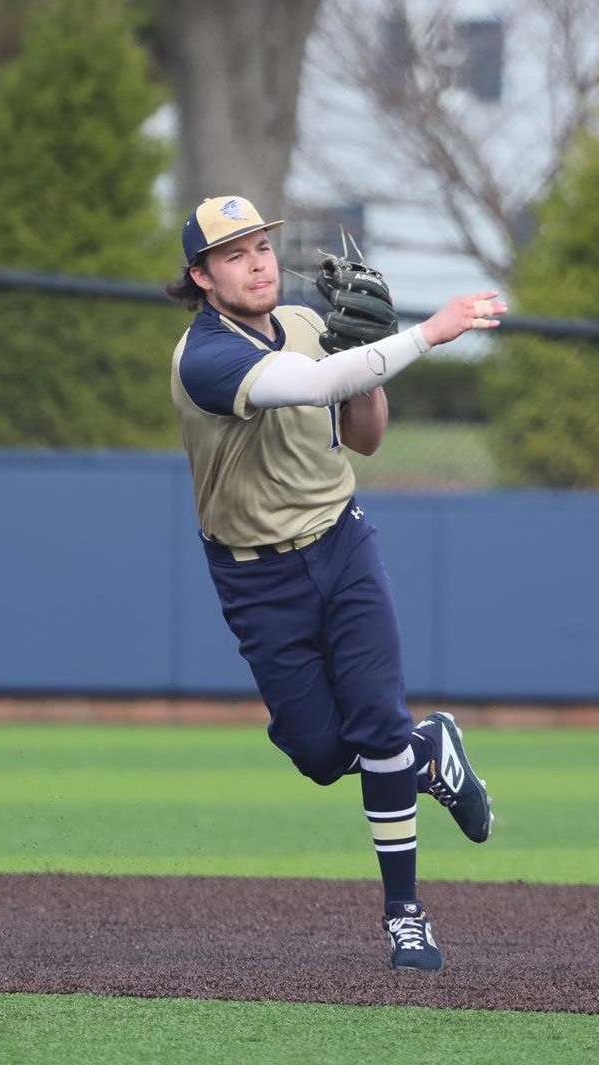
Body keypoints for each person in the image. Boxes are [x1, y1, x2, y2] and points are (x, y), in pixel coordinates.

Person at [164, 195, 503, 973]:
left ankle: (405, 917)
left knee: (377, 728)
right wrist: (423, 334)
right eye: (234, 254)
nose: (257, 263)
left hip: (342, 546)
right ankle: (433, 757)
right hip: (257, 577)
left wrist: (370, 356)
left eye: (261, 248)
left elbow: (367, 437)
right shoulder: (205, 356)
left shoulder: (312, 327)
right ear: (202, 276)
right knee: (321, 752)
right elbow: (310, 387)